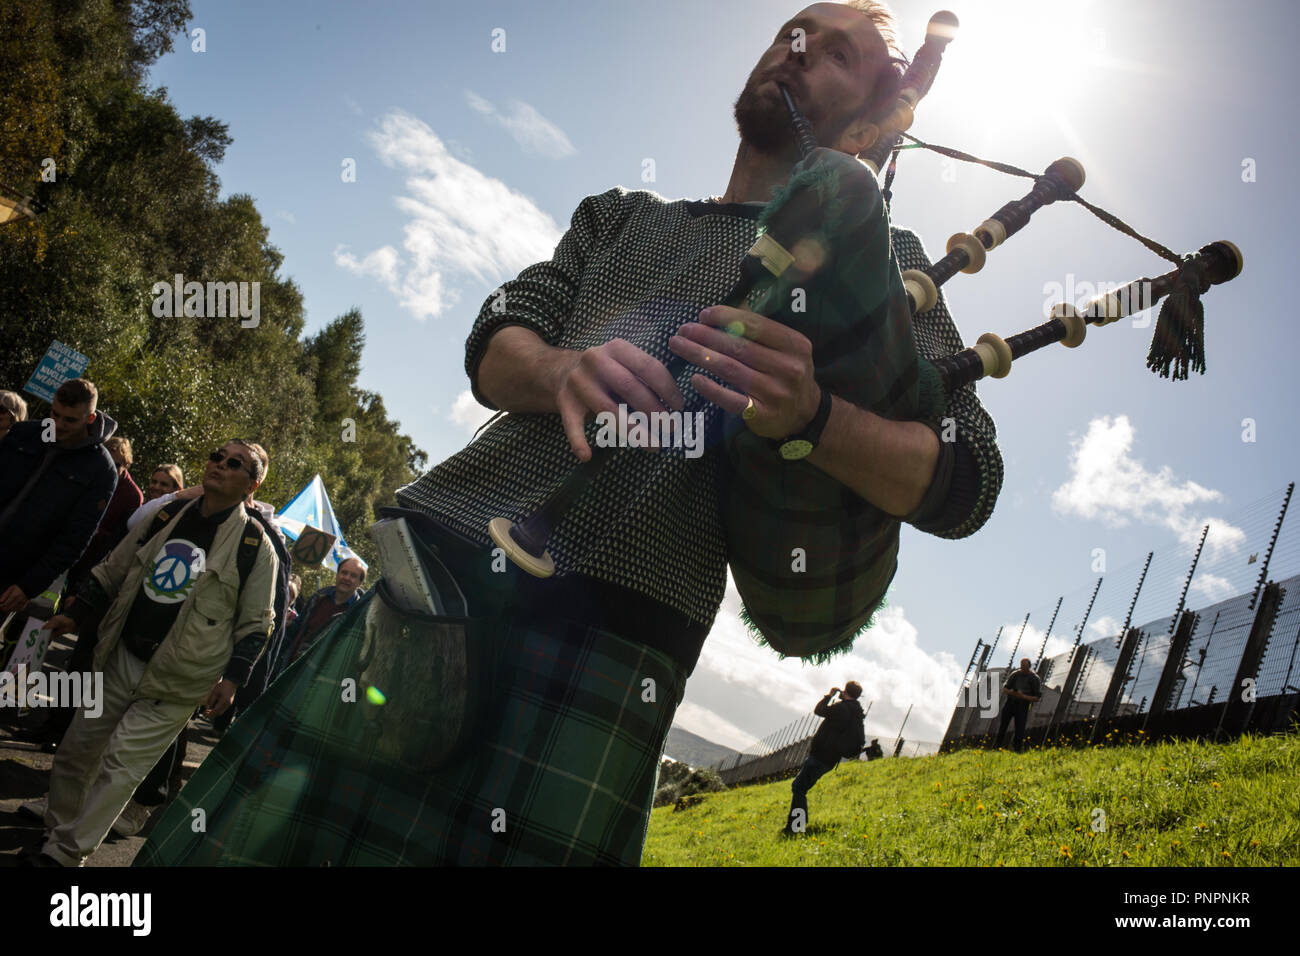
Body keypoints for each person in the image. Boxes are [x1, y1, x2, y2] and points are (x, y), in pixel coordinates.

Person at [138, 0, 1002, 868]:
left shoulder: (885, 270)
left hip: (609, 643)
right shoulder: (620, 215)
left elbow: (968, 476)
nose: (798, 49)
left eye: (838, 53)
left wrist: (815, 418)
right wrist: (559, 371)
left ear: (874, 117)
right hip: (428, 581)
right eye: (792, 31)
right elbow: (494, 343)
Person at [18, 440, 279, 867]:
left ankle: (64, 855)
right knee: (75, 751)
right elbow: (116, 566)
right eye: (217, 456)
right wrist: (78, 611)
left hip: (179, 679)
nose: (219, 465)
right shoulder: (167, 513)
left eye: (235, 464)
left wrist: (231, 681)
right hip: (122, 653)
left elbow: (257, 624)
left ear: (252, 484)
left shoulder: (256, 547)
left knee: (120, 765)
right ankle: (56, 832)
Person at [0, 378, 118, 643]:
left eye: (70, 420)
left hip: (12, 574)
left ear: (89, 418)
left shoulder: (100, 470)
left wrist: (29, 586)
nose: (59, 425)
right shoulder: (26, 434)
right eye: (55, 414)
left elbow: (74, 540)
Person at [264, 557, 365, 683]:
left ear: (360, 583)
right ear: (337, 574)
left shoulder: (358, 615)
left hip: (320, 679)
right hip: (291, 667)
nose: (347, 578)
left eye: (353, 576)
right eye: (344, 572)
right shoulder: (318, 598)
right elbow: (299, 627)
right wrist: (284, 624)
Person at [784, 682, 865, 834]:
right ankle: (797, 825)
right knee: (801, 788)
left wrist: (829, 695)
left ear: (845, 691)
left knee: (799, 788)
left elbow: (819, 710)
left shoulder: (841, 708)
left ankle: (796, 827)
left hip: (820, 755)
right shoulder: (857, 712)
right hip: (831, 759)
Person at [996, 658, 1042, 753]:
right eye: (1021, 666)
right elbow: (1004, 689)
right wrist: (1012, 692)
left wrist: (1023, 696)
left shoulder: (1034, 679)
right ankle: (997, 747)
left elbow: (1036, 698)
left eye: (1024, 667)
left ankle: (1017, 750)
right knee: (1003, 726)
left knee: (1019, 729)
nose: (1022, 669)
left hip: (1023, 706)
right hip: (1010, 703)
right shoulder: (1015, 675)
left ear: (1029, 667)